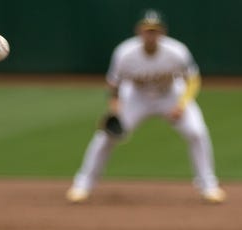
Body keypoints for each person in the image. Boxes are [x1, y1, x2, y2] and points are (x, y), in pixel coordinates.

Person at [66, 9, 226, 205]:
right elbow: (114, 87)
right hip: (136, 98)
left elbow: (192, 80)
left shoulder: (177, 51)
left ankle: (209, 186)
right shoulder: (124, 53)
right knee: (106, 137)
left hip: (170, 95)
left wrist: (181, 104)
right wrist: (115, 111)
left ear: (163, 32)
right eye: (147, 30)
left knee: (197, 132)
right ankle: (83, 184)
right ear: (139, 31)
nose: (151, 34)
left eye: (155, 30)